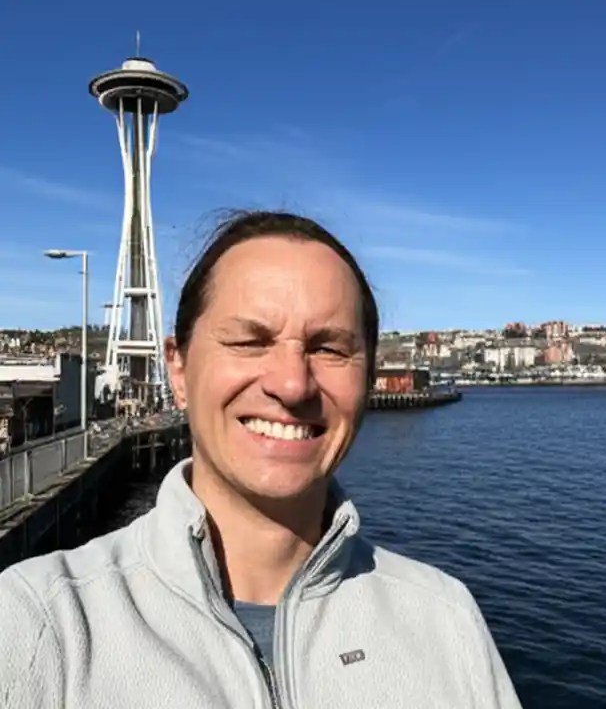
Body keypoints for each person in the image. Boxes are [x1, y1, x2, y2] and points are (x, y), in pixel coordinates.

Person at [0, 210, 523, 708]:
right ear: (177, 369)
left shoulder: (443, 619)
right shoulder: (39, 623)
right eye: (249, 340)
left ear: (366, 379)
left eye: (330, 348)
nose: (292, 383)